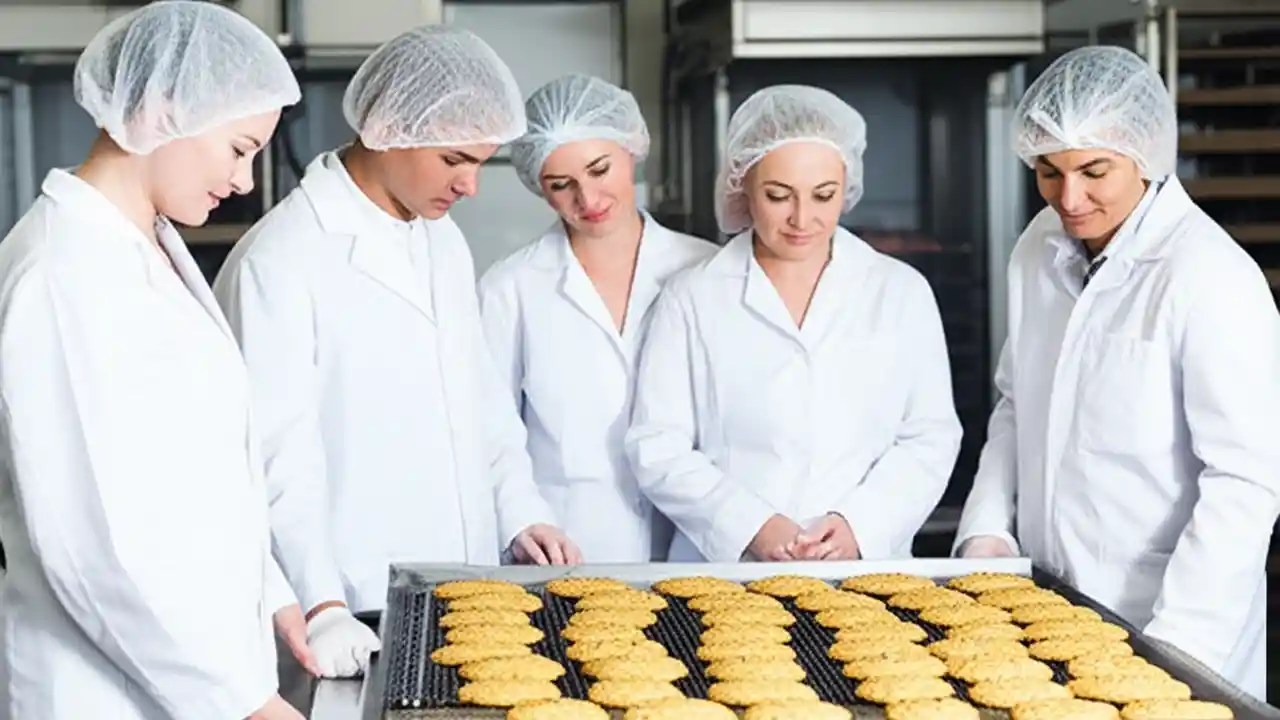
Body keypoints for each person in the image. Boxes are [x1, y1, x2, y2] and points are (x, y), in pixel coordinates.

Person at [213, 25, 580, 679]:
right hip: (349, 610)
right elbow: (272, 453)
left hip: (462, 590)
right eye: (454, 160)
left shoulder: (440, 240)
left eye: (479, 162)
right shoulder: (283, 259)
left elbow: (481, 398)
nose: (471, 186)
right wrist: (322, 601)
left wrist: (521, 511)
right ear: (390, 129)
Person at [0, 3, 312, 718]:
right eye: (239, 149)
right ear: (165, 109)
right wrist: (240, 702)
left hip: (196, 665)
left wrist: (272, 591)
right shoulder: (59, 273)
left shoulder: (146, 244)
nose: (243, 181)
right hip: (104, 688)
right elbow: (90, 544)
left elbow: (197, 468)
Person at [954, 46, 1280, 699]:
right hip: (1046, 611)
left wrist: (1179, 647)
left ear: (1147, 153)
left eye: (1093, 170)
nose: (1069, 198)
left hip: (1163, 619)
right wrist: (986, 528)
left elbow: (1244, 483)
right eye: (1048, 172)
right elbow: (1017, 403)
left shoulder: (1209, 277)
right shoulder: (1036, 248)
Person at [625, 85, 962, 563]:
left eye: (823, 195)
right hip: (726, 573)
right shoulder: (693, 296)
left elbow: (930, 436)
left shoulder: (899, 292)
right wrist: (751, 526)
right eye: (779, 196)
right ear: (743, 186)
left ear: (847, 185)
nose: (803, 218)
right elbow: (657, 444)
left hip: (863, 572)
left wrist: (860, 525)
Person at [480, 74, 715, 563]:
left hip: (698, 548)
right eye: (561, 185)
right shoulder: (512, 287)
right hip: (566, 549)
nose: (587, 200)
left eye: (599, 169)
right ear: (538, 187)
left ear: (631, 149)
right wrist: (523, 518)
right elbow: (488, 426)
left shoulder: (708, 271)